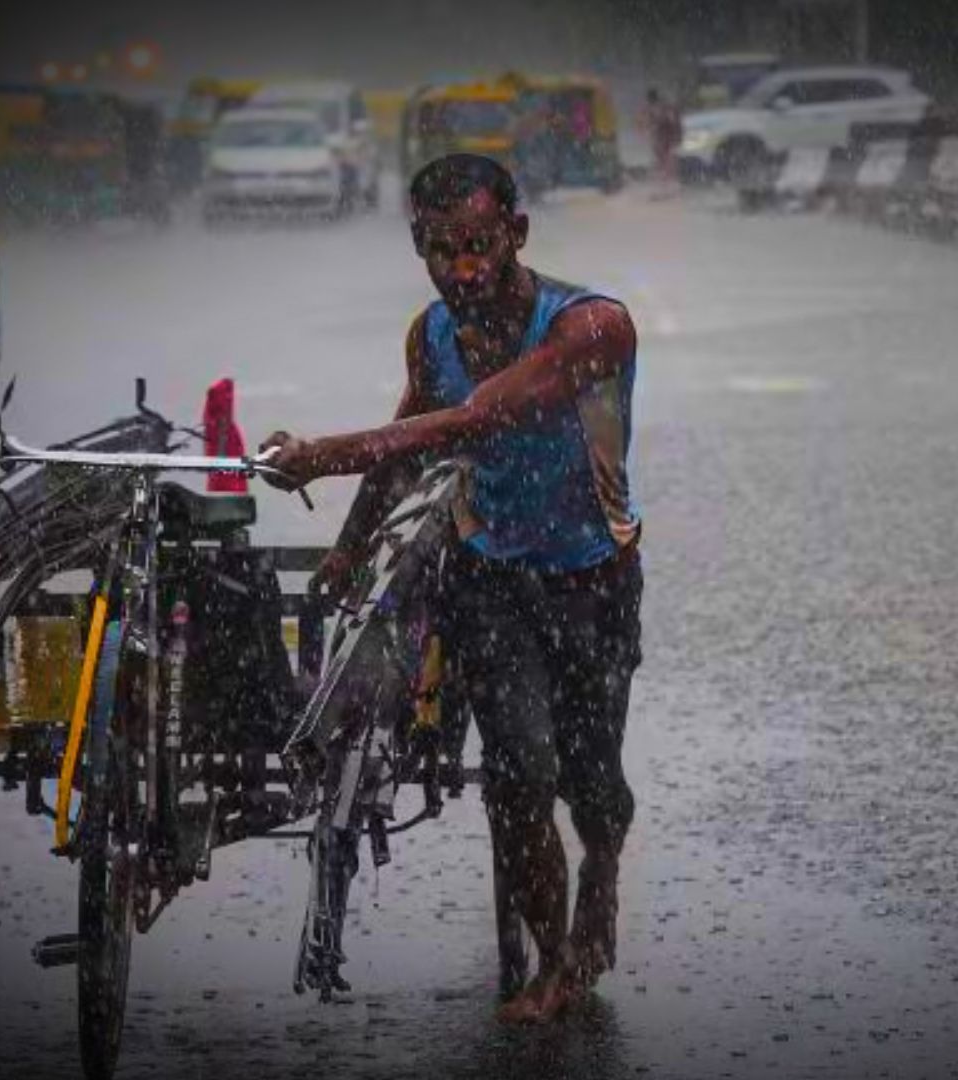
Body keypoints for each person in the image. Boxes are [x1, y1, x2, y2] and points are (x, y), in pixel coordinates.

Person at [259, 154, 642, 1025]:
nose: (462, 269)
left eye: (478, 245)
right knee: (517, 775)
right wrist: (348, 554)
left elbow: (480, 418)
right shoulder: (431, 333)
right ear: (419, 246)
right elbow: (410, 441)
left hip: (594, 578)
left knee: (593, 782)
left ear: (517, 235)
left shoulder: (592, 325)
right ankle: (552, 963)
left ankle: (604, 880)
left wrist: (321, 452)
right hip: (490, 579)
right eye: (441, 249)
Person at [641, 88, 682, 185]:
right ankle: (667, 178)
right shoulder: (657, 107)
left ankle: (669, 179)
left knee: (665, 157)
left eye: (649, 99)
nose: (648, 101)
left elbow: (670, 120)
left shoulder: (661, 107)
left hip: (665, 135)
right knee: (663, 156)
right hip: (663, 135)